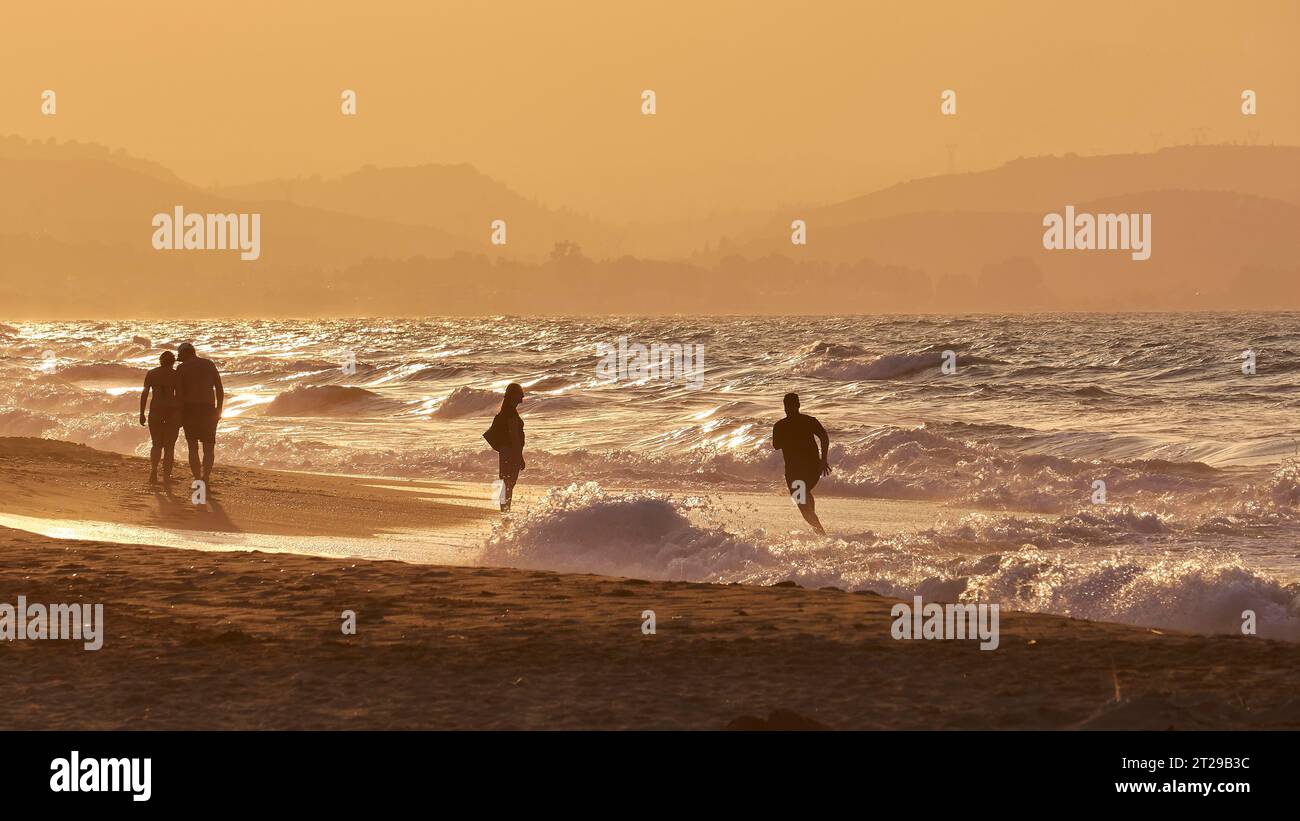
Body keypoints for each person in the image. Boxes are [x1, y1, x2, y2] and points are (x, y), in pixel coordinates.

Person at [772, 392, 831, 534]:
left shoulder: (780, 425)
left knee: (802, 503)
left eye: (790, 406)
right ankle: (816, 525)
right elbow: (824, 438)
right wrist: (823, 460)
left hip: (802, 470)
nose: (789, 408)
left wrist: (823, 460)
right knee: (804, 495)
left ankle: (821, 533)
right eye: (789, 406)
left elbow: (777, 445)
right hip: (806, 470)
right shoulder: (808, 421)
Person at [174, 342, 224, 484]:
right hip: (209, 409)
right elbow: (219, 388)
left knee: (193, 447)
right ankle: (206, 478)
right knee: (208, 447)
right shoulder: (209, 364)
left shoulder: (182, 368)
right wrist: (219, 409)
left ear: (185, 353)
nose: (179, 358)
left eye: (180, 355)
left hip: (190, 411)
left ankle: (197, 479)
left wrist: (178, 415)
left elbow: (179, 394)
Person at [138, 350, 181, 484]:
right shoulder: (176, 375)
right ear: (173, 362)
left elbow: (144, 394)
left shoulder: (152, 373)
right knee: (169, 447)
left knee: (156, 444)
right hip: (171, 412)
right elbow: (180, 397)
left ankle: (154, 470)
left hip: (155, 411)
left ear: (160, 361)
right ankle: (167, 476)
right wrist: (181, 415)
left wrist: (141, 413)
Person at [482, 383, 525, 512]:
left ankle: (505, 510)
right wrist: (519, 456)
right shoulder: (511, 412)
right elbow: (514, 436)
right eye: (520, 394)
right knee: (508, 483)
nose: (521, 398)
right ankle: (505, 511)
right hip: (510, 451)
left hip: (506, 451)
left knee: (506, 483)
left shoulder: (506, 410)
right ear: (513, 396)